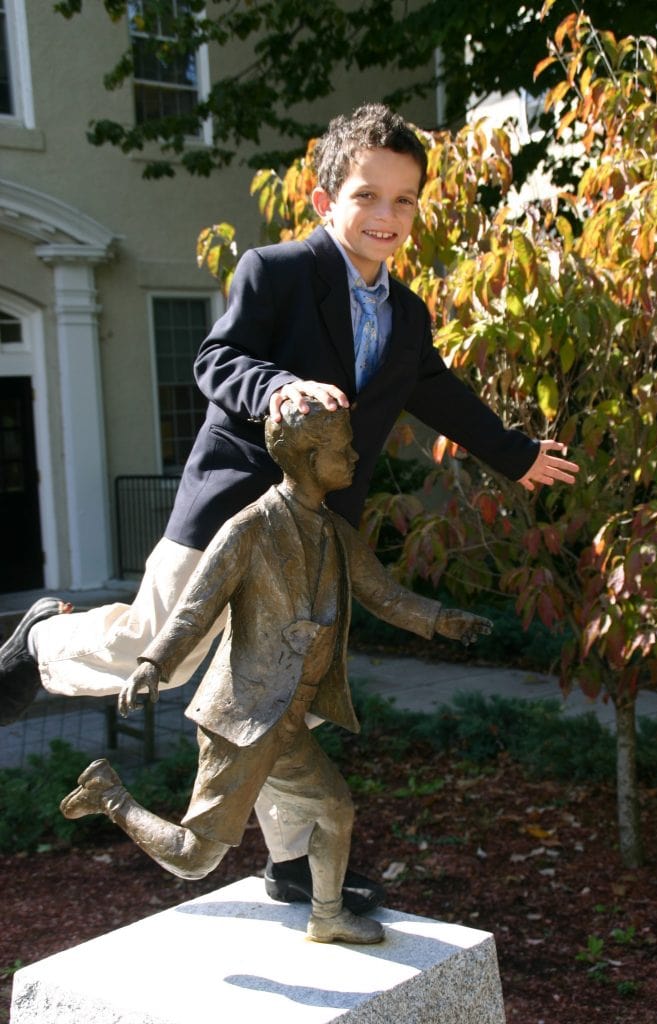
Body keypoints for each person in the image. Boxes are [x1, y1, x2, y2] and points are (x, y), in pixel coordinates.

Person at [0, 103, 578, 910]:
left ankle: (296, 863)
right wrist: (281, 388)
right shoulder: (274, 272)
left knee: (276, 687)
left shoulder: (406, 314)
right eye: (367, 196)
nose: (386, 216)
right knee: (155, 640)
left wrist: (514, 456)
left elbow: (433, 389)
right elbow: (216, 358)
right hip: (232, 503)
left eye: (403, 200)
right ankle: (43, 644)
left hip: (316, 529)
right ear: (323, 200)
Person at [60, 400, 493, 945]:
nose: (356, 456)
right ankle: (109, 795)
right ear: (312, 458)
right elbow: (196, 608)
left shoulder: (336, 531)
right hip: (241, 719)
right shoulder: (249, 528)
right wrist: (153, 662)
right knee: (195, 861)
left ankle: (328, 915)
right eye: (343, 450)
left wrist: (444, 621)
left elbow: (384, 595)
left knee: (335, 809)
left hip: (286, 719)